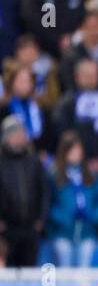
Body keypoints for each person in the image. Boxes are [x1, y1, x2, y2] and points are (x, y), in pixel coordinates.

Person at [46, 129, 98, 267]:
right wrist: (59, 218)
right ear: (64, 152)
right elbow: (47, 202)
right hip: (62, 233)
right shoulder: (54, 176)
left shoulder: (91, 175)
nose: (77, 153)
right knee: (65, 272)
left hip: (87, 232)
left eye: (78, 149)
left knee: (83, 274)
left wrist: (96, 217)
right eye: (72, 149)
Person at [0, 114, 49, 266]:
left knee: (30, 270)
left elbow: (44, 191)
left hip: (31, 227)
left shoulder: (34, 162)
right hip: (6, 228)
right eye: (15, 134)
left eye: (21, 134)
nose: (20, 138)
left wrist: (41, 218)